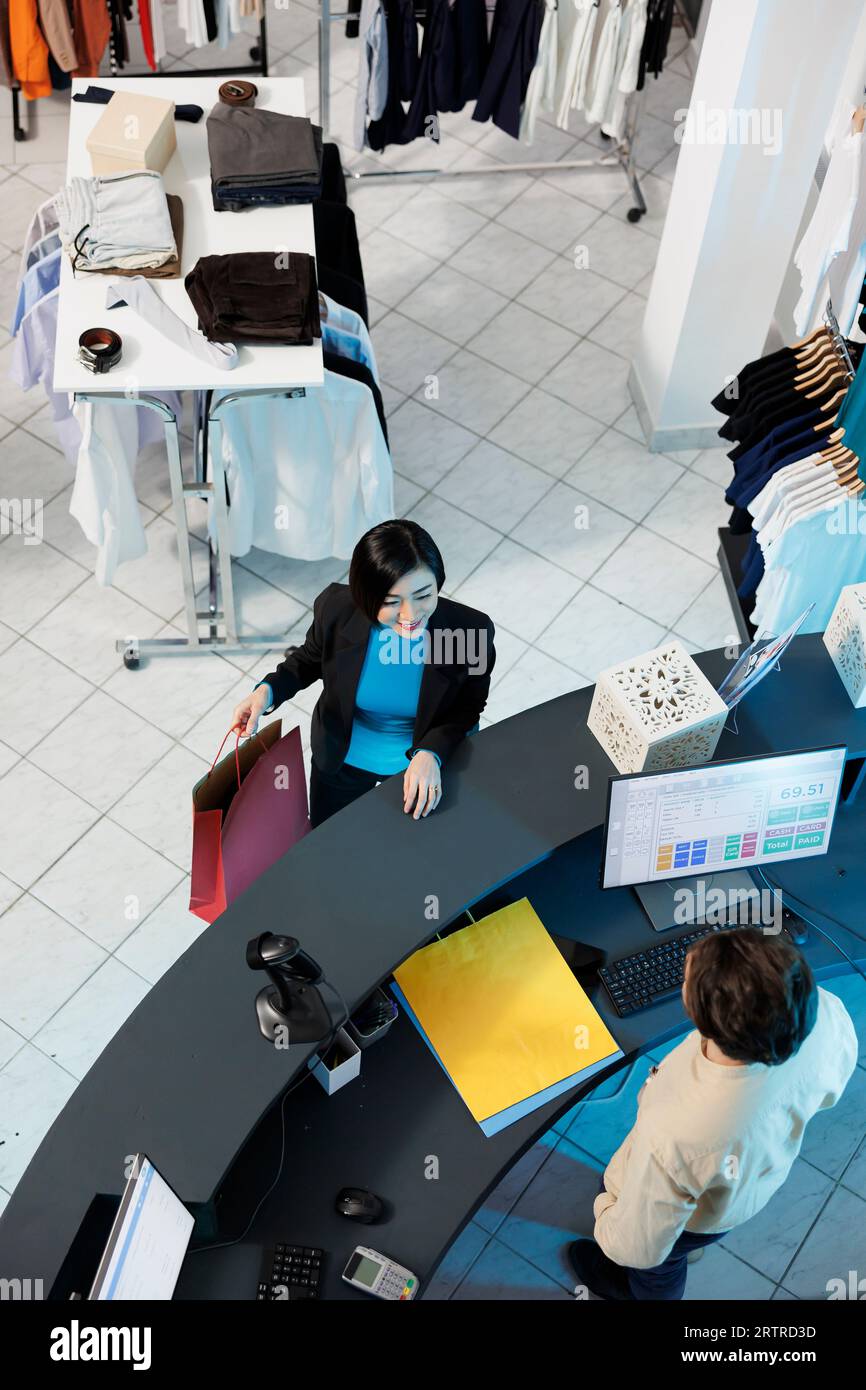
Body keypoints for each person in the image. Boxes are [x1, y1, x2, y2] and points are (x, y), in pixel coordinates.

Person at [567, 928, 858, 1300]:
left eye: (687, 976)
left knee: (660, 1265)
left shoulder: (678, 1133)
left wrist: (608, 1208)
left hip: (687, 1212)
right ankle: (689, 1240)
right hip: (746, 1186)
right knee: (690, 1225)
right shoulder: (827, 1012)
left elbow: (637, 1248)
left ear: (698, 1014)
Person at [231, 519, 496, 827]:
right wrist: (267, 691)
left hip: (422, 769)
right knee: (331, 844)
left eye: (424, 595)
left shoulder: (469, 631)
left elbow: (469, 707)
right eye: (392, 602)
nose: (410, 616)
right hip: (343, 759)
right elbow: (308, 660)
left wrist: (431, 753)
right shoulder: (336, 609)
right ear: (366, 598)